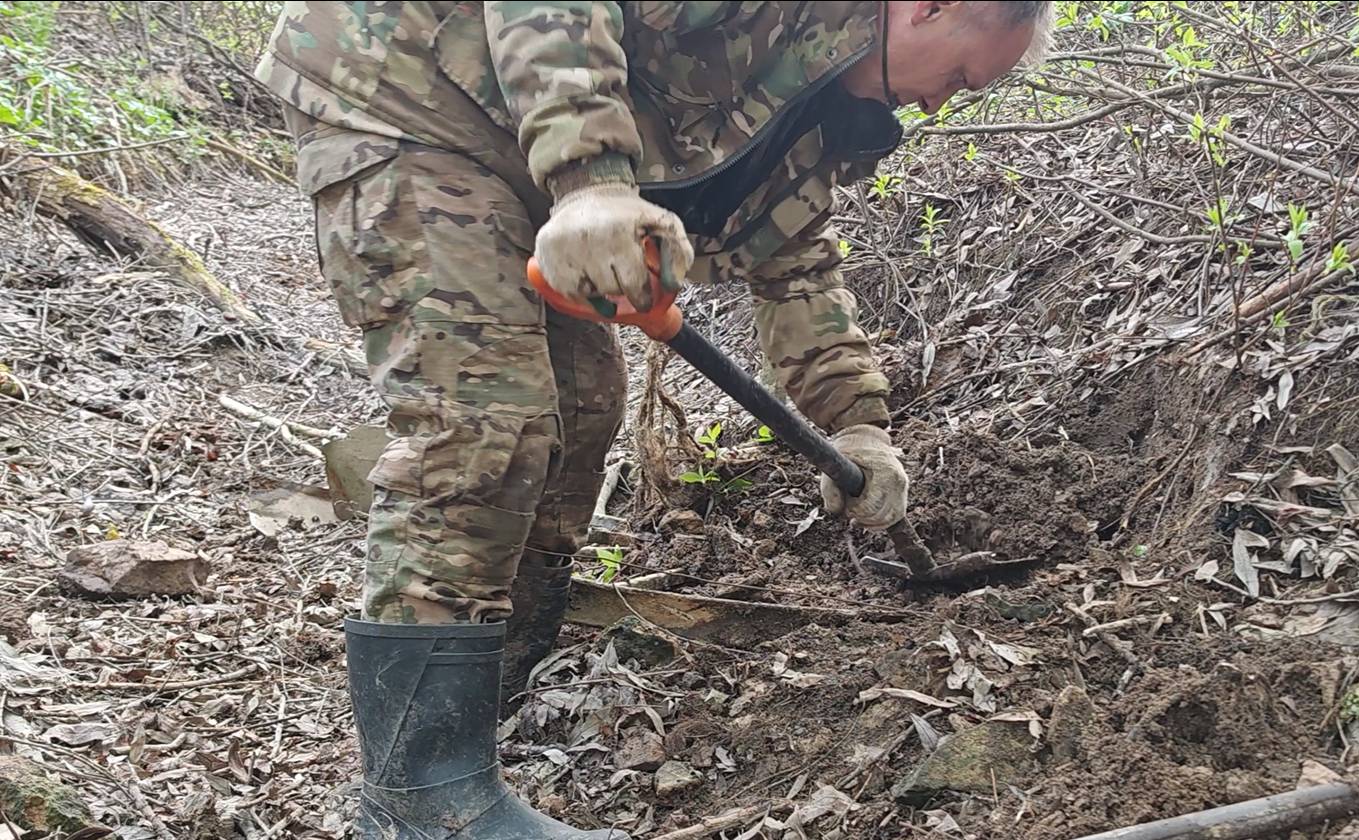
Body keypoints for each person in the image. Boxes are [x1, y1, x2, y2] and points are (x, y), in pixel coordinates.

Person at [255, 1, 1050, 837]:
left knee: (583, 410)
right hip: (411, 89)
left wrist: (858, 423)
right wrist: (590, 179)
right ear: (929, 7)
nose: (938, 104)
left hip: (524, 160)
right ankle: (420, 802)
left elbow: (797, 265)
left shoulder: (828, 106)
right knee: (487, 421)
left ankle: (477, 717)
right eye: (958, 77)